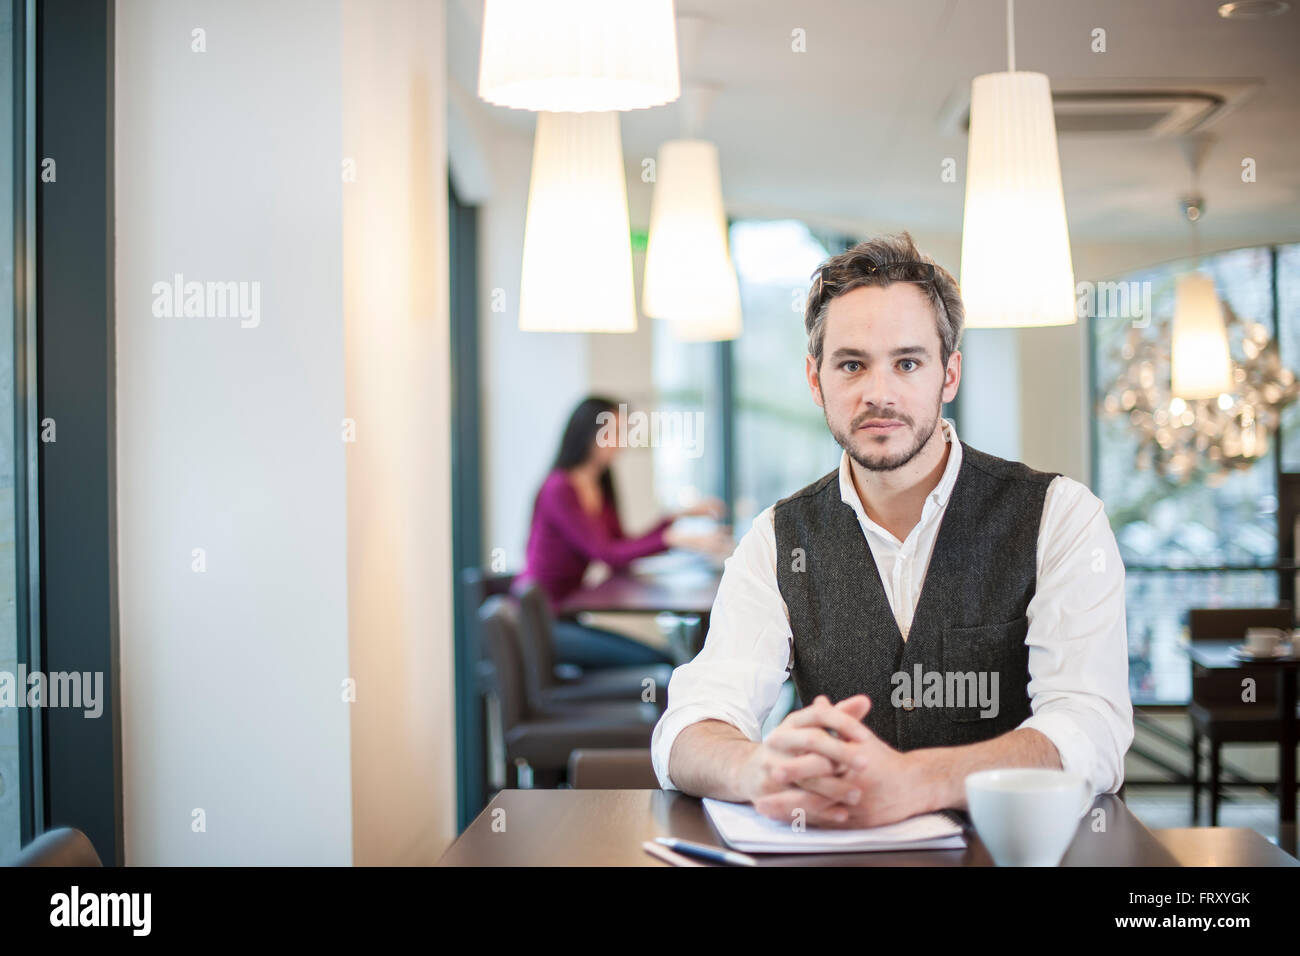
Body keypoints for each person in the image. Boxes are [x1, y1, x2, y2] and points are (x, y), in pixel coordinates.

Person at [652, 232, 1133, 828]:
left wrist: (918, 781)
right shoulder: (778, 538)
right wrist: (755, 768)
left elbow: (1091, 728)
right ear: (815, 380)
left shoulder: (1060, 516)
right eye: (852, 365)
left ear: (949, 375)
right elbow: (689, 725)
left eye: (907, 363)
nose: (879, 393)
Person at [514, 396, 731, 670]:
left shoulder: (600, 483)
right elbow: (607, 554)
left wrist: (675, 518)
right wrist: (672, 539)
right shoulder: (559, 489)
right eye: (613, 432)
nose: (621, 441)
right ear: (588, 434)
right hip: (541, 627)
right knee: (661, 662)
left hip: (566, 618)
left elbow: (621, 547)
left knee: (667, 659)